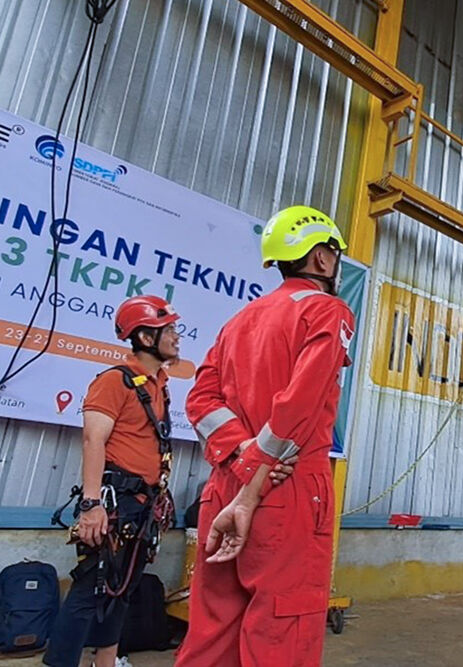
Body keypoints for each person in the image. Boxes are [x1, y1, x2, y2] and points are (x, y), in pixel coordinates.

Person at [176, 205, 355, 667]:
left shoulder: (239, 320)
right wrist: (257, 476)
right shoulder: (327, 310)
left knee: (211, 632)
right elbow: (301, 404)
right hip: (285, 489)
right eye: (334, 254)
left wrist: (241, 454)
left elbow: (200, 400)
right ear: (321, 257)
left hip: (225, 486)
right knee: (281, 634)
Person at [44, 296, 182, 667]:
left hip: (142, 506)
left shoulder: (159, 384)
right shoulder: (114, 381)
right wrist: (91, 505)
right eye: (168, 329)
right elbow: (93, 439)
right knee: (89, 590)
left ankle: (105, 662)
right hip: (114, 503)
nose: (176, 336)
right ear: (146, 338)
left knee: (121, 591)